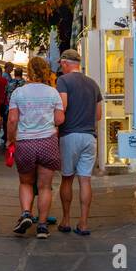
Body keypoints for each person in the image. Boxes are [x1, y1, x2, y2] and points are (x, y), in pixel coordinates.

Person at [6, 54, 65, 239]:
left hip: (25, 143)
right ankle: (42, 226)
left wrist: (10, 139)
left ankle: (25, 213)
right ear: (46, 72)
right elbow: (59, 119)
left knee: (26, 182)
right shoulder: (53, 92)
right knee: (45, 186)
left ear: (29, 72)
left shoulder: (18, 93)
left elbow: (13, 119)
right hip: (47, 142)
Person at [56, 47, 103, 235]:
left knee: (67, 178)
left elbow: (63, 105)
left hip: (70, 135)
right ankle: (83, 223)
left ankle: (66, 220)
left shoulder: (63, 81)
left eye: (61, 64)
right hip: (89, 137)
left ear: (66, 63)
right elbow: (98, 115)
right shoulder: (93, 84)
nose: (61, 68)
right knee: (85, 180)